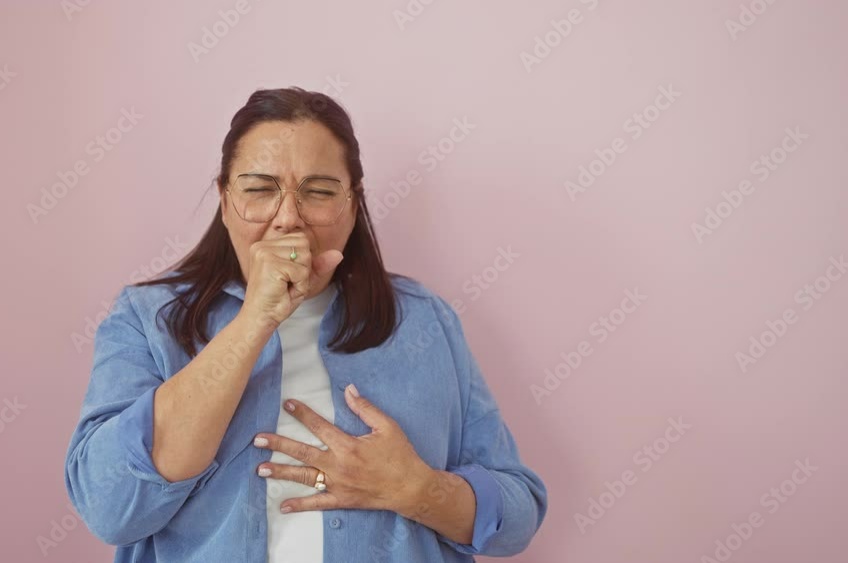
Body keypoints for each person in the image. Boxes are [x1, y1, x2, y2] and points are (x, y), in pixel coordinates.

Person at [64, 87, 547, 562]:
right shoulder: (147, 317)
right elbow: (110, 509)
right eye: (258, 190)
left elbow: (517, 517)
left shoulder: (425, 319)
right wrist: (257, 318)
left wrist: (417, 489)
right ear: (225, 200)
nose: (288, 219)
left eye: (317, 192)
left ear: (353, 205)